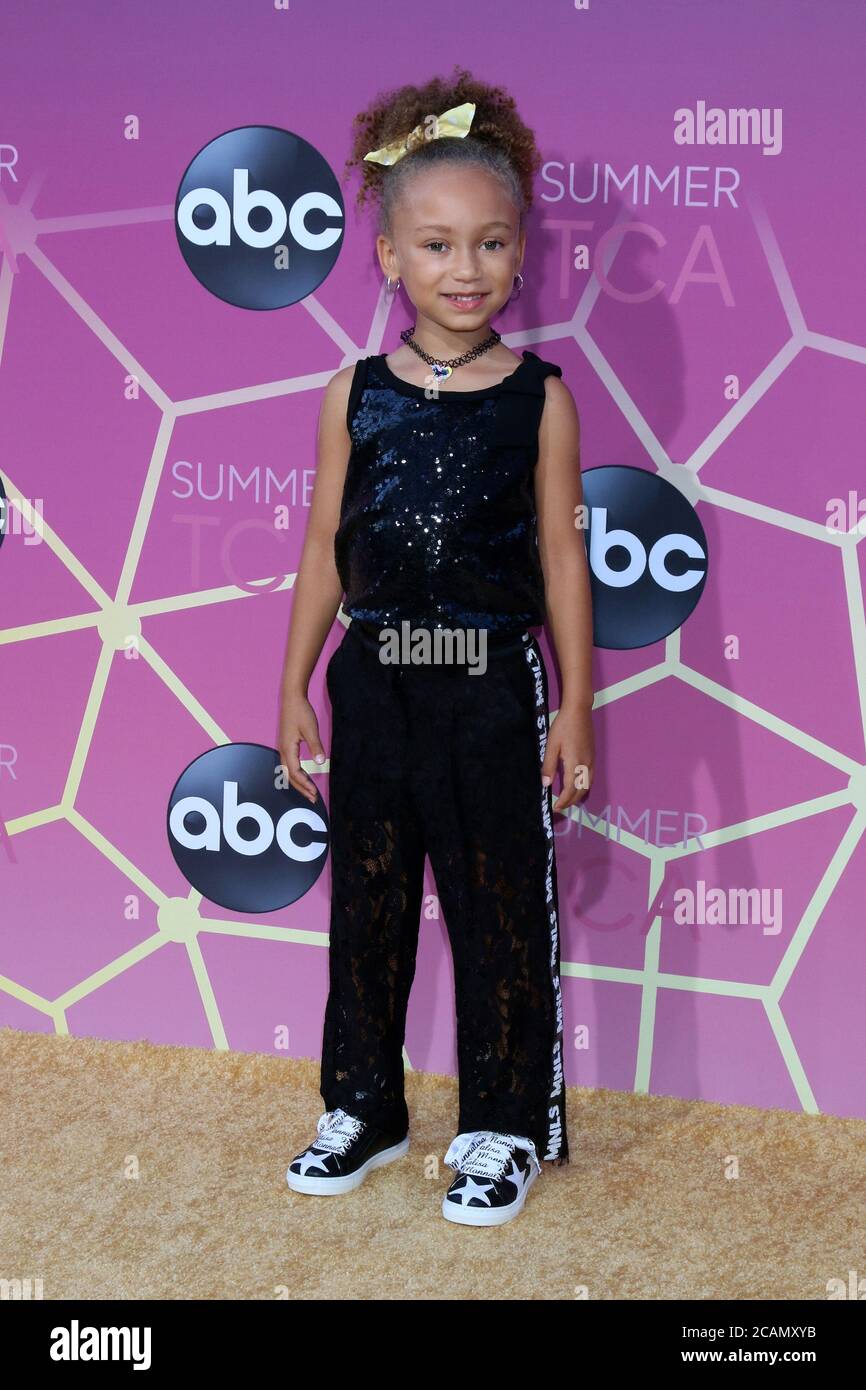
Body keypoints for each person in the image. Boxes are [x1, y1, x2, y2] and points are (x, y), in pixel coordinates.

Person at [278, 67, 595, 1227]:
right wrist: (294, 687)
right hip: (371, 683)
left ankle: (501, 1124)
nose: (465, 269)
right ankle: (362, 1102)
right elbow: (324, 545)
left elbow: (564, 562)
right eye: (437, 244)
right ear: (389, 258)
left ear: (520, 256)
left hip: (488, 688)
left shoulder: (539, 398)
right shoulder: (351, 394)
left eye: (491, 243)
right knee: (363, 902)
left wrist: (574, 705)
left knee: (496, 903)